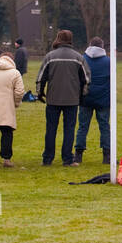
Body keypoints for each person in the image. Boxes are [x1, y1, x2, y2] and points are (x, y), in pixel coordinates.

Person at [36, 29, 89, 166]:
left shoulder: (50, 56)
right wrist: (82, 96)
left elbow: (41, 78)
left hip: (53, 99)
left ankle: (47, 158)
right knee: (69, 130)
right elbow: (86, 79)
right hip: (72, 100)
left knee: (51, 129)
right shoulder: (78, 57)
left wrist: (40, 93)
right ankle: (67, 159)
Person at [76, 37, 111, 164]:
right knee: (104, 126)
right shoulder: (109, 62)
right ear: (102, 47)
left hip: (86, 98)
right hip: (103, 99)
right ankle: (107, 155)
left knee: (82, 127)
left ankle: (78, 154)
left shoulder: (82, 59)